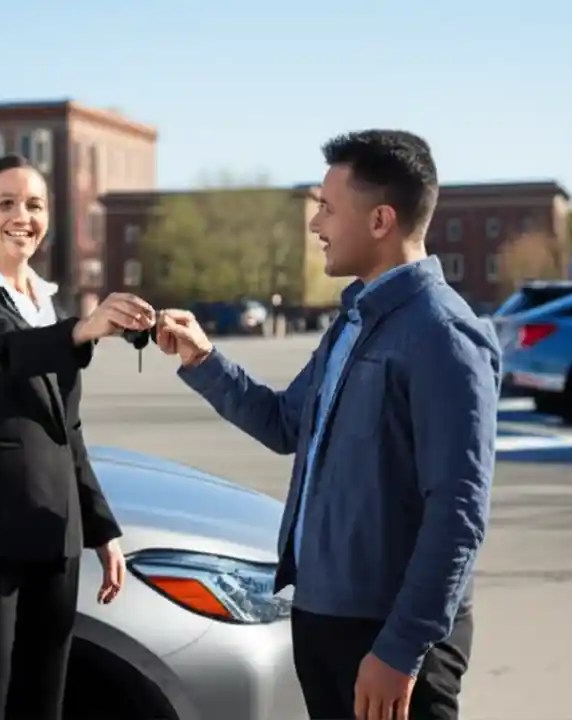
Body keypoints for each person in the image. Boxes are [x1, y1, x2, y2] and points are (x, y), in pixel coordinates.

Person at [156, 130, 500, 720]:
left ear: (381, 220)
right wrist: (202, 360)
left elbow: (459, 511)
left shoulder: (444, 335)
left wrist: (400, 649)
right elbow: (285, 423)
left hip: (389, 638)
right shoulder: (352, 322)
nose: (315, 224)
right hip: (324, 620)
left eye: (328, 209)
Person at [0, 153, 157, 720]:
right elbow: (7, 352)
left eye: (34, 205)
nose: (21, 216)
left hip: (56, 535)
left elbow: (66, 429)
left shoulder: (46, 301)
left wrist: (101, 529)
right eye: (6, 203)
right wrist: (83, 328)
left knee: (43, 702)